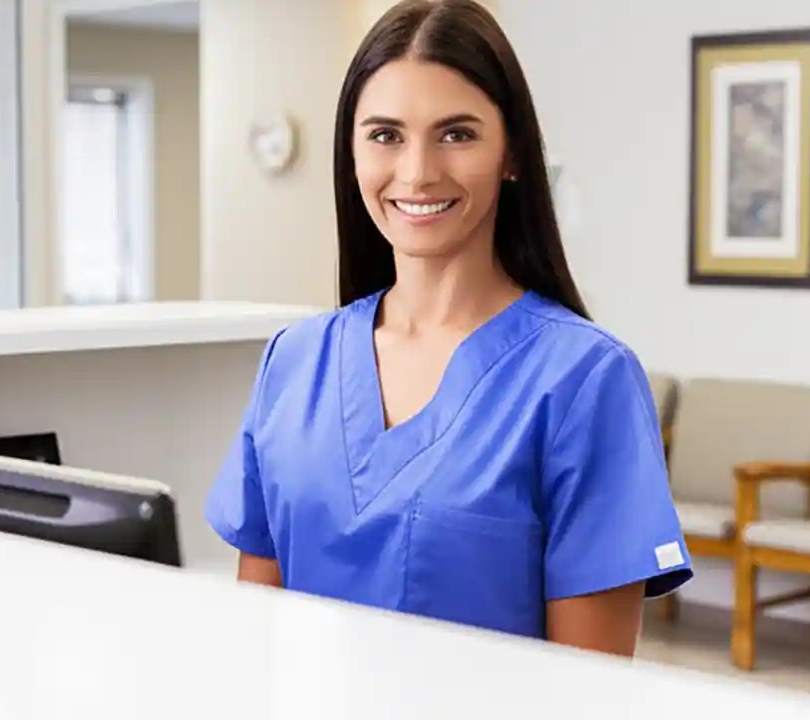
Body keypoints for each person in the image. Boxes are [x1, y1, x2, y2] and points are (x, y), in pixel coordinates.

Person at [203, 0, 691, 657]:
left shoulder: (584, 381)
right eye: (385, 135)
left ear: (511, 152)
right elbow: (254, 643)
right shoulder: (293, 361)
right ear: (351, 151)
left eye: (456, 133)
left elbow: (590, 693)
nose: (417, 172)